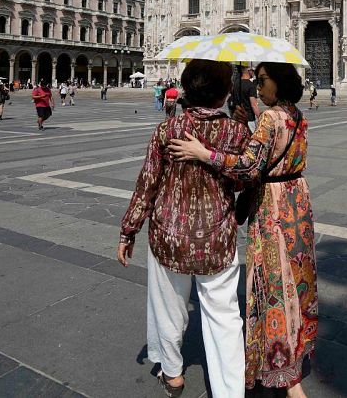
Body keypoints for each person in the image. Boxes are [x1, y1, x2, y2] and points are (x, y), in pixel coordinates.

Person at [169, 61, 318, 396]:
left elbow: (250, 167)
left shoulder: (269, 117)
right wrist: (242, 126)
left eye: (262, 81)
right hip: (298, 200)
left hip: (273, 206)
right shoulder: (296, 115)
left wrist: (203, 153)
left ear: (278, 82)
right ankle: (296, 353)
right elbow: (271, 153)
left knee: (272, 281)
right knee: (297, 278)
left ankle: (285, 374)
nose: (257, 87)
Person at [118, 60, 251, 398]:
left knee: (168, 308)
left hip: (168, 234)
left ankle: (173, 373)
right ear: (224, 93)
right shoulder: (237, 132)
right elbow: (245, 179)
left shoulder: (167, 130)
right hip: (217, 237)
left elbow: (147, 184)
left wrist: (128, 230)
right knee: (224, 316)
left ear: (187, 89)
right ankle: (230, 391)